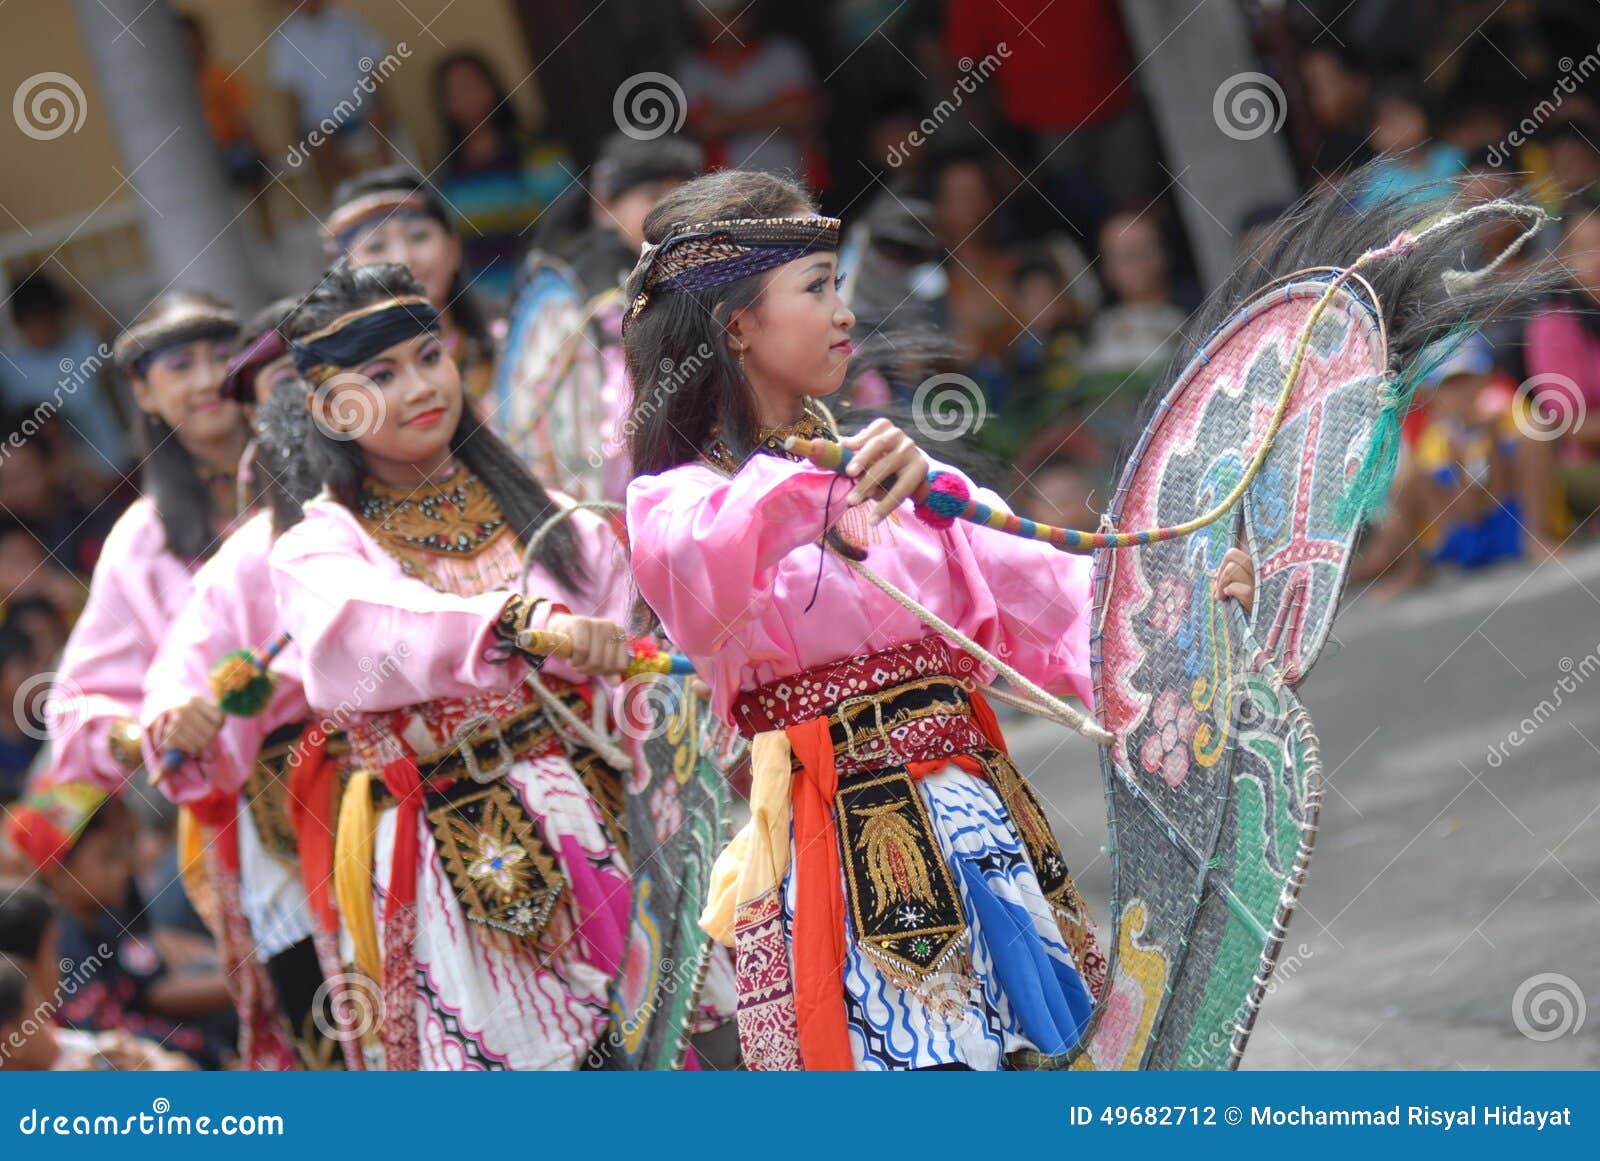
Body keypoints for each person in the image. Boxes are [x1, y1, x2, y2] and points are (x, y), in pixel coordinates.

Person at [621, 169, 1257, 1070]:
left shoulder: (900, 482)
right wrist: (839, 480)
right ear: (737, 326)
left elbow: (1060, 593)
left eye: (837, 284)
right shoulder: (677, 504)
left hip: (979, 824)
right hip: (840, 850)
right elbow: (718, 551)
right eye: (816, 289)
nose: (844, 312)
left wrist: (1192, 608)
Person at [270, 261, 636, 1070]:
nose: (419, 387)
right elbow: (369, 627)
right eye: (381, 375)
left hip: (596, 811)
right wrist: (521, 624)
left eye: (429, 358)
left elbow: (630, 658)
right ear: (330, 407)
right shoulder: (317, 550)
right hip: (447, 840)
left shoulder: (549, 514)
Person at [141, 298, 345, 1070]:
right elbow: (174, 676)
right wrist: (168, 717)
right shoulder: (242, 550)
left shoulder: (451, 498)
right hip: (303, 821)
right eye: (285, 390)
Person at [49, 293, 245, 796]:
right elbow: (77, 706)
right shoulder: (141, 541)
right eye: (181, 365)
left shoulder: (324, 485)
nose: (207, 380)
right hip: (248, 810)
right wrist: (150, 733)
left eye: (222, 356)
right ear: (143, 392)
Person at [495, 133, 702, 500]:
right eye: (653, 197)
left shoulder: (699, 274)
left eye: (685, 195)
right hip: (607, 496)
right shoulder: (574, 298)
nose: (674, 212)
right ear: (604, 208)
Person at [4, 783, 232, 1067]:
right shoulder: (59, 942)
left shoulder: (109, 920)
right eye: (107, 858)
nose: (123, 868)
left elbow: (148, 981)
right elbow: (141, 1006)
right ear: (60, 874)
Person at [325, 167, 497, 400]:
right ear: (344, 274)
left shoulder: (512, 347)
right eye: (376, 246)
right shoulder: (348, 394)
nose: (403, 259)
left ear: (453, 249)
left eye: (418, 236)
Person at [432, 52, 573, 306]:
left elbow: (568, 214)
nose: (466, 96)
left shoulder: (535, 151)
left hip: (546, 293)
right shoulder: (447, 174)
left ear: (493, 88)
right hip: (484, 306)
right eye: (455, 91)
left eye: (472, 85)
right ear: (445, 104)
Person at [677, 0, 823, 187]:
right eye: (715, 16)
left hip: (795, 176)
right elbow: (704, 127)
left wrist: (725, 119)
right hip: (724, 188)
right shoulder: (691, 67)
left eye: (733, 14)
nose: (725, 24)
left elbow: (800, 114)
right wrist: (774, 113)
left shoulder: (783, 53)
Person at [0, 271, 129, 473]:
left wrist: (67, 285)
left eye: (45, 319)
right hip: (59, 480)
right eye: (31, 323)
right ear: (19, 325)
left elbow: (106, 321)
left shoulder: (83, 345)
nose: (40, 330)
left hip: (113, 464)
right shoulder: (8, 365)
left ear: (58, 315)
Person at [268, 0, 394, 198]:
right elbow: (290, 92)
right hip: (321, 120)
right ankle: (348, 197)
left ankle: (391, 189)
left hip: (360, 109)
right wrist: (292, 135)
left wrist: (383, 104)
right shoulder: (286, 38)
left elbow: (375, 66)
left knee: (378, 119)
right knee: (319, 140)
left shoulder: (347, 21)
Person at [0, 953, 196, 1070]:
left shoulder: (89, 1052)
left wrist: (149, 1063)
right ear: (10, 1037)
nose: (51, 1028)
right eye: (38, 1016)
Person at [176, 13, 273, 239]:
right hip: (197, 159)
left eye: (192, 42)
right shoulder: (175, 90)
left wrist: (256, 147)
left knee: (252, 163)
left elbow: (243, 118)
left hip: (230, 150)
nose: (189, 50)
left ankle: (266, 236)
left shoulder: (220, 76)